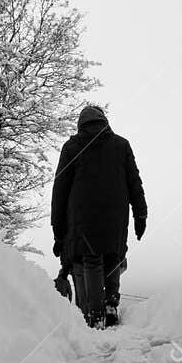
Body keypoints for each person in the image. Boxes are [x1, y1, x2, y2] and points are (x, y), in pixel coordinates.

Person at [51, 105, 147, 328]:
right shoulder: (121, 145)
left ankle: (96, 315)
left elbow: (60, 190)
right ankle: (111, 304)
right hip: (116, 215)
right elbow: (134, 182)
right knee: (113, 256)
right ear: (104, 121)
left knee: (92, 259)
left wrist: (58, 230)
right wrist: (140, 214)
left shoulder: (72, 147)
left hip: (83, 216)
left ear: (80, 124)